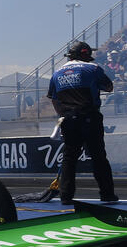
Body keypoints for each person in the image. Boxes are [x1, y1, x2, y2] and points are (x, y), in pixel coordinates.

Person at [47, 41, 118, 205]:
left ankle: (65, 196)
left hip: (68, 119)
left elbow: (54, 99)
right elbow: (109, 87)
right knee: (99, 157)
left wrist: (63, 115)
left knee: (69, 158)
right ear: (84, 54)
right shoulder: (93, 68)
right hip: (89, 118)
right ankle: (107, 194)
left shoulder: (56, 73)